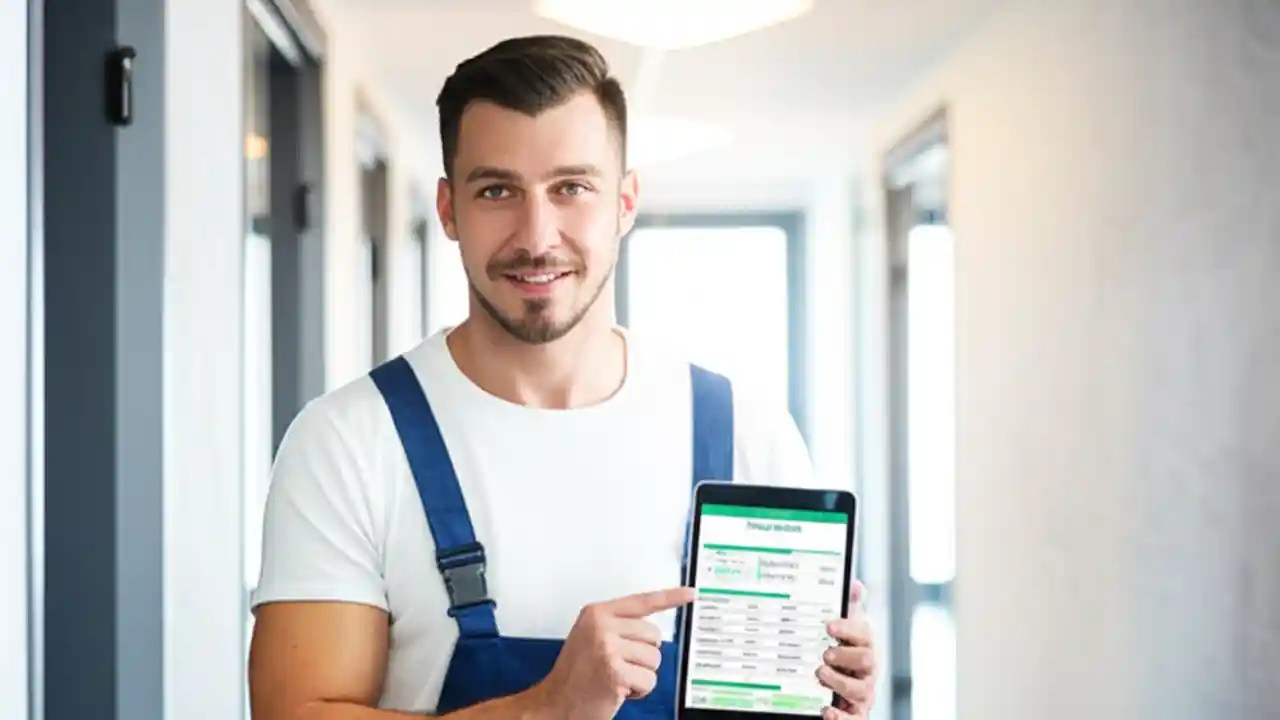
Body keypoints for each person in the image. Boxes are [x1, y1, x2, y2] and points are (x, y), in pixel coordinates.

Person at [247, 34, 878, 720]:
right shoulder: (349, 441)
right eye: (497, 190)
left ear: (625, 203)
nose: (537, 234)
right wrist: (544, 709)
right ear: (450, 209)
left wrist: (835, 702)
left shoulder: (746, 435)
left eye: (571, 188)